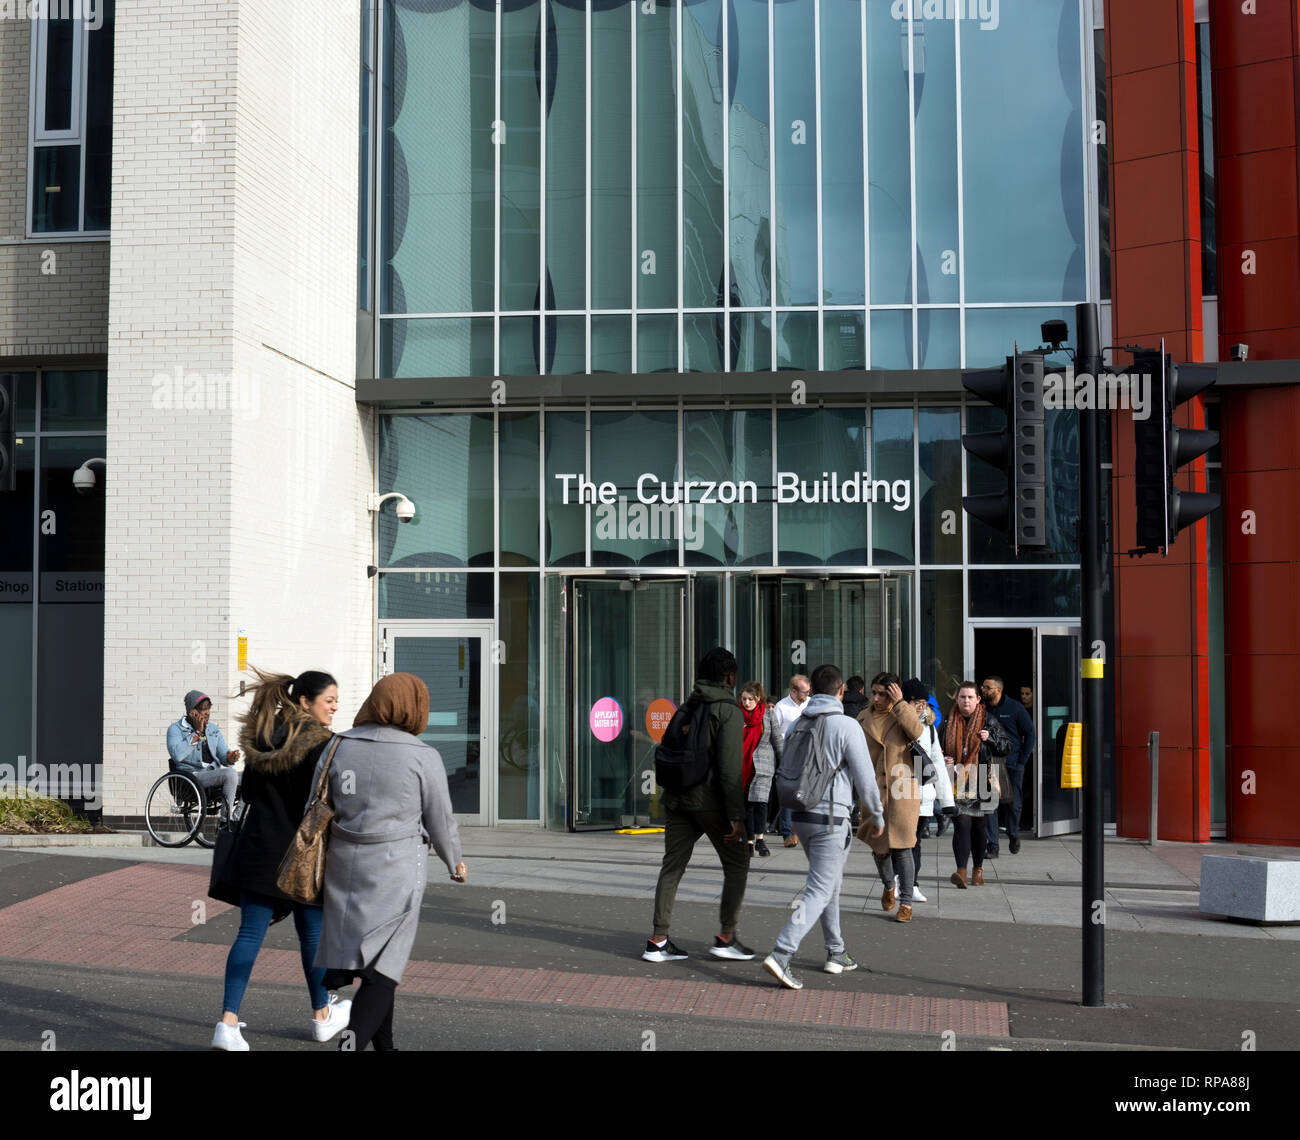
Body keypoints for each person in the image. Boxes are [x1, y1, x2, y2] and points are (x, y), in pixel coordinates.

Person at [314, 673, 467, 1051]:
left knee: (376, 965)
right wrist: (455, 861)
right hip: (396, 871)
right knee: (384, 971)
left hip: (344, 867)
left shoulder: (338, 746)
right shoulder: (422, 755)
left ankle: (387, 1048)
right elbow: (440, 818)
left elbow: (315, 807)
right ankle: (348, 1047)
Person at [212, 669, 348, 1051]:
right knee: (313, 937)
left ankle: (228, 1023)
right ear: (305, 701)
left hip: (258, 851)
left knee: (249, 935)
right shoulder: (325, 745)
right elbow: (331, 802)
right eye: (330, 700)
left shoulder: (263, 738)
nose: (336, 707)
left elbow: (250, 792)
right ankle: (322, 1016)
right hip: (303, 856)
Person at [761, 664, 884, 990]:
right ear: (841, 690)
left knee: (829, 883)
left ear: (812, 690)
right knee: (819, 889)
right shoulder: (845, 725)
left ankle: (836, 951)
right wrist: (878, 815)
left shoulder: (799, 723)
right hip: (830, 819)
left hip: (800, 815)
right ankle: (782, 953)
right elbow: (865, 777)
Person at [643, 647, 753, 963]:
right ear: (729, 677)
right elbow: (730, 770)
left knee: (672, 866)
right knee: (737, 860)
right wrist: (737, 817)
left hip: (676, 797)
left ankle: (658, 940)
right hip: (708, 801)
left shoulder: (688, 705)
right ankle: (727, 936)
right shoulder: (727, 710)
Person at [857, 673, 925, 923]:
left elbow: (917, 731)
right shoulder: (863, 716)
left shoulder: (903, 711)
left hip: (901, 786)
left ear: (894, 693)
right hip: (873, 787)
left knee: (903, 846)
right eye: (873, 692)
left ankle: (906, 902)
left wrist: (899, 704)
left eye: (882, 693)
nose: (875, 698)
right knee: (879, 848)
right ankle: (889, 885)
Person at [944, 682, 1014, 887]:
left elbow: (1007, 747)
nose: (966, 701)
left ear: (978, 700)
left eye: (970, 697)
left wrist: (991, 739)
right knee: (961, 823)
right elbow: (936, 748)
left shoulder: (988, 721)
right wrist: (944, 758)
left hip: (983, 778)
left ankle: (978, 869)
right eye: (962, 697)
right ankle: (961, 872)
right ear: (956, 699)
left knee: (978, 826)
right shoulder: (948, 721)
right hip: (957, 780)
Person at [901, 678, 954, 900]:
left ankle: (911, 884)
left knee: (915, 842)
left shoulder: (929, 727)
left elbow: (937, 764)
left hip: (924, 795)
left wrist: (947, 801)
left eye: (923, 701)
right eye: (915, 701)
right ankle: (897, 881)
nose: (920, 705)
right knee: (900, 842)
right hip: (901, 792)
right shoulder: (895, 723)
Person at [981, 675, 1034, 856]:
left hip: (1010, 763)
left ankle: (1013, 834)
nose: (983, 690)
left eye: (987, 687)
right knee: (989, 804)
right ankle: (993, 846)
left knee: (1012, 805)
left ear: (998, 690)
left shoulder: (1015, 708)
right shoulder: (981, 708)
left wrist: (1021, 762)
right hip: (988, 762)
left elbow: (1030, 734)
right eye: (983, 687)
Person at [166, 690, 241, 819]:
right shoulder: (175, 729)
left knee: (253, 775)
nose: (207, 713)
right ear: (192, 712)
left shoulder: (212, 729)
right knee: (229, 774)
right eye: (203, 709)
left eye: (208, 709)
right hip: (193, 776)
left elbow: (223, 755)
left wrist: (230, 757)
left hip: (214, 773)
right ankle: (225, 821)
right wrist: (197, 733)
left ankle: (236, 819)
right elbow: (177, 755)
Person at [739, 681, 782, 858]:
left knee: (761, 802)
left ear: (758, 699)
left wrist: (783, 761)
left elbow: (777, 739)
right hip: (743, 764)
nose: (746, 703)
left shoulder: (768, 715)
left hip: (763, 763)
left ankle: (760, 839)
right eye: (743, 699)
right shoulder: (737, 715)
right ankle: (749, 841)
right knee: (747, 804)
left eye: (750, 699)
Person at [771, 674, 812, 846]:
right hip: (788, 755)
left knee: (807, 792)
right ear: (794, 691)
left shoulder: (811, 703)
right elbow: (775, 732)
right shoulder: (781, 707)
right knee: (789, 793)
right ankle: (788, 832)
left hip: (809, 755)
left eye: (809, 691)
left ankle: (804, 830)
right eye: (805, 691)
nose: (808, 694)